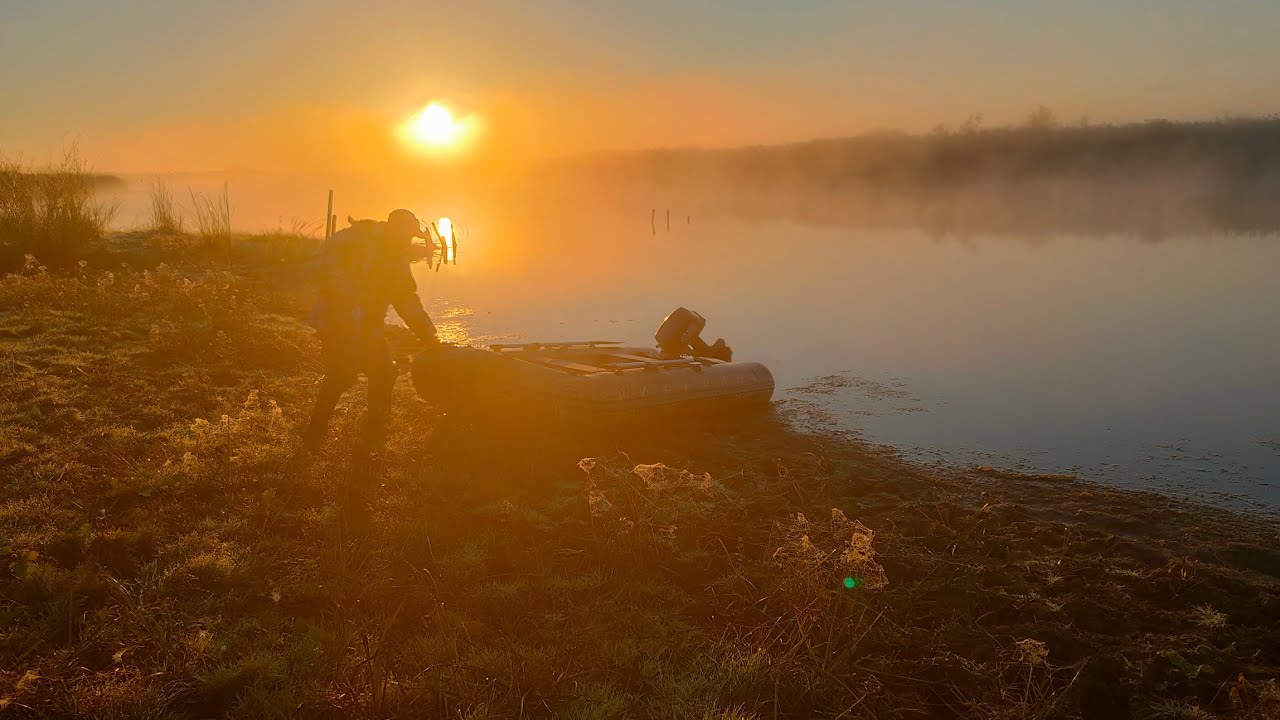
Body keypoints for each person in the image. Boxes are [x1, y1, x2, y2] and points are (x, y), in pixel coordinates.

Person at [302, 209, 439, 449]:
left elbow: (405, 299)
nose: (408, 241)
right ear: (395, 229)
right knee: (348, 373)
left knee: (375, 372)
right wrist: (344, 295)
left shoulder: (391, 253)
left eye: (411, 237)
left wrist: (429, 336)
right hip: (341, 319)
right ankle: (363, 434)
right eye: (407, 235)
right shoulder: (362, 241)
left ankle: (369, 430)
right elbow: (321, 261)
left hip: (361, 323)